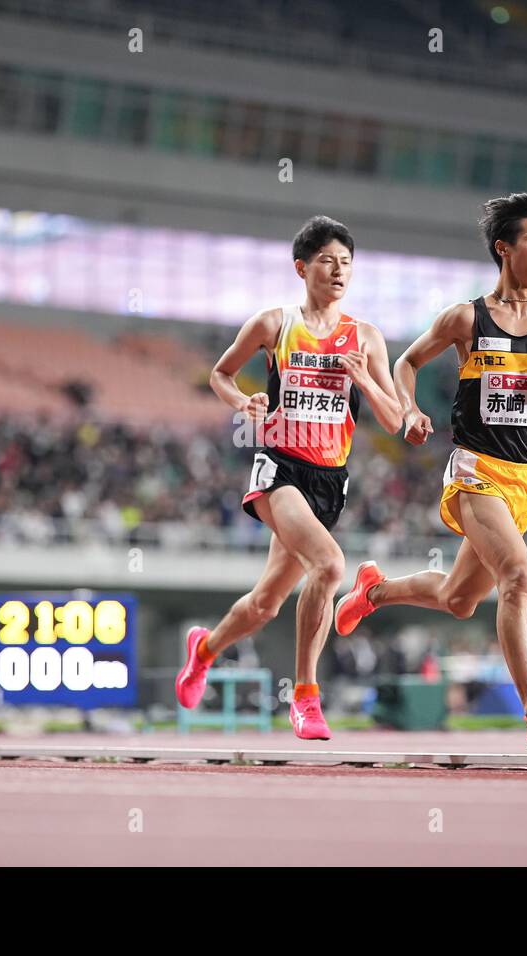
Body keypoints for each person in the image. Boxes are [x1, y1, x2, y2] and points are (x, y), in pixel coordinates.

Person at [334, 193, 527, 750]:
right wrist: (407, 408)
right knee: (519, 579)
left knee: (459, 600)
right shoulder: (466, 318)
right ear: (504, 249)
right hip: (476, 473)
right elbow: (406, 363)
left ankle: (373, 590)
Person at [175, 216, 403, 739]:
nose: (338, 270)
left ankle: (204, 651)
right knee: (329, 567)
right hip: (279, 470)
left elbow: (394, 421)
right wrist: (243, 403)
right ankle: (304, 695)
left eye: (346, 262)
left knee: (264, 604)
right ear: (302, 268)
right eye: (327, 260)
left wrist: (362, 375)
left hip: (330, 481)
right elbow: (220, 373)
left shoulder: (365, 337)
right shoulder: (273, 325)